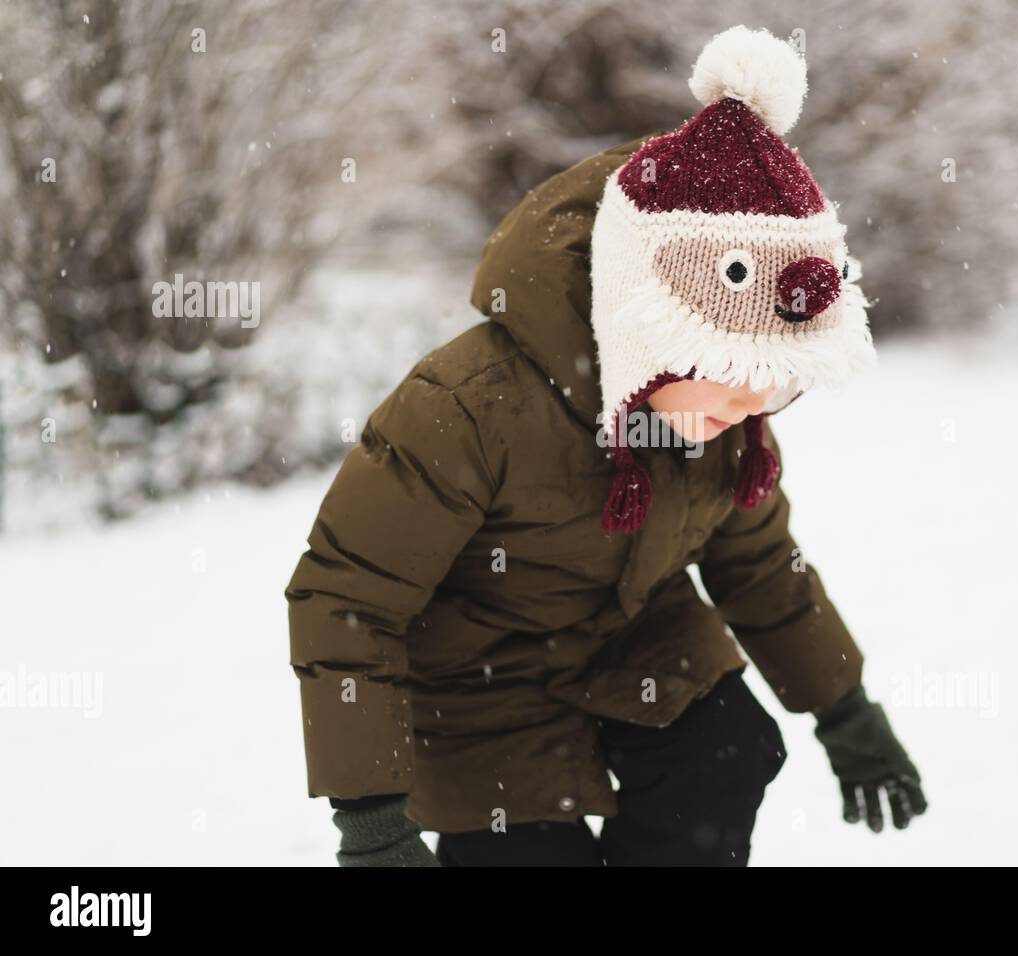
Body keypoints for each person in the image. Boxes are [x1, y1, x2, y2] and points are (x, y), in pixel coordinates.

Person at [286, 25, 926, 867]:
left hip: (635, 645)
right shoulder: (469, 409)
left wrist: (844, 708)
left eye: (770, 385)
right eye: (730, 376)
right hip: (481, 687)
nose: (748, 407)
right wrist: (370, 816)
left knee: (727, 750)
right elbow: (348, 596)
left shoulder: (721, 422)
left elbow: (761, 565)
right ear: (649, 330)